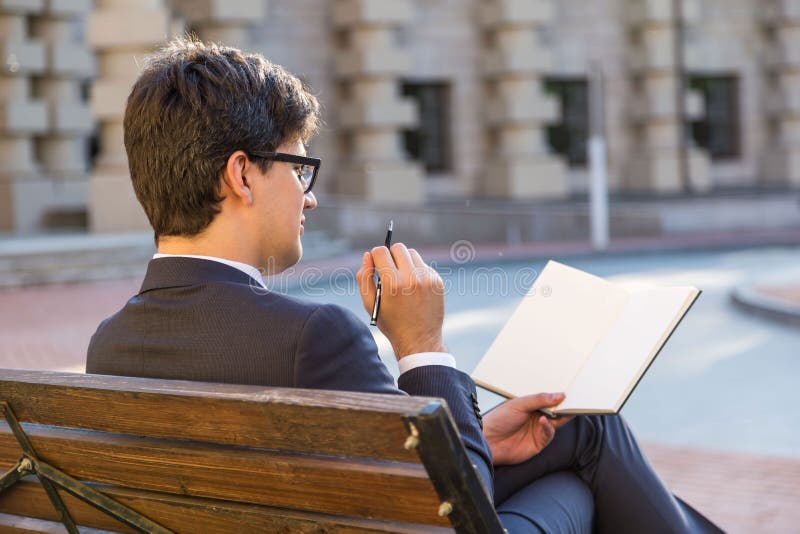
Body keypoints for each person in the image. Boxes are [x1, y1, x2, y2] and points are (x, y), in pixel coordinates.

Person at [86, 38, 720, 534]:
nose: (311, 197)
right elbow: (453, 516)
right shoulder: (312, 338)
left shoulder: (109, 347)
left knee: (581, 431)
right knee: (583, 469)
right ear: (242, 176)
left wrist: (477, 439)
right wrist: (422, 346)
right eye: (301, 168)